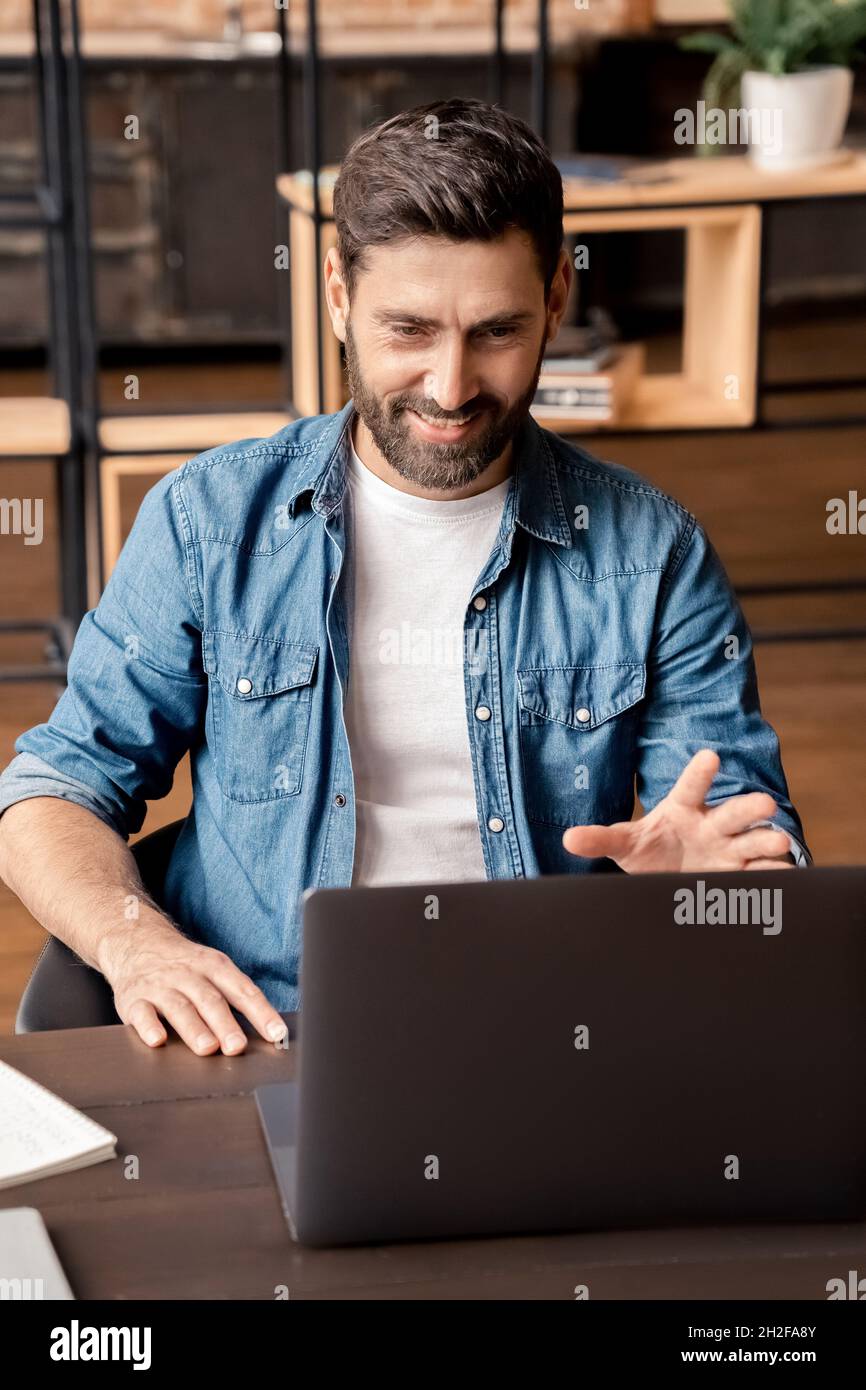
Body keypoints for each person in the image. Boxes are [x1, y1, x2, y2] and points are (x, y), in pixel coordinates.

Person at [0, 99, 808, 1058]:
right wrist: (137, 948)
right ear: (338, 294)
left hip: (550, 1033)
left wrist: (709, 899)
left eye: (497, 332)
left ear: (556, 297)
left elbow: (751, 853)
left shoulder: (653, 554)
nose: (451, 386)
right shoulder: (208, 523)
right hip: (263, 1031)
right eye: (410, 330)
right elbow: (56, 789)